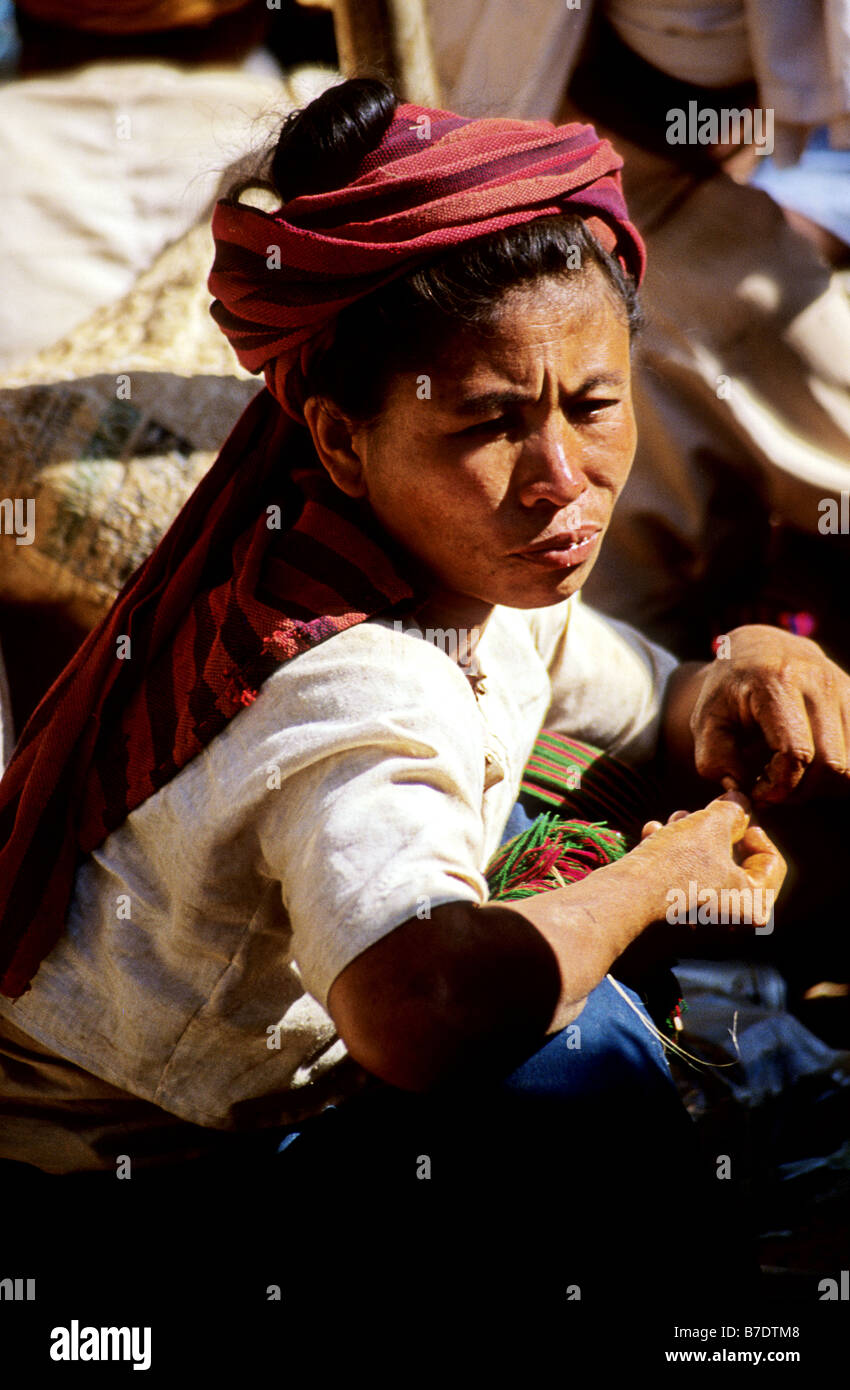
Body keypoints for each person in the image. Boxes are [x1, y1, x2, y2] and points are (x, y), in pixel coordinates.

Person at [0, 77, 846, 1316]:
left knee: (565, 858)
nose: (563, 478)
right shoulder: (357, 684)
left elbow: (644, 695)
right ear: (343, 444)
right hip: (127, 1187)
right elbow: (428, 1010)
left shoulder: (477, 569)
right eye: (491, 424)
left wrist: (742, 677)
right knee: (583, 1064)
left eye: (595, 406)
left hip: (288, 1060)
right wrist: (666, 872)